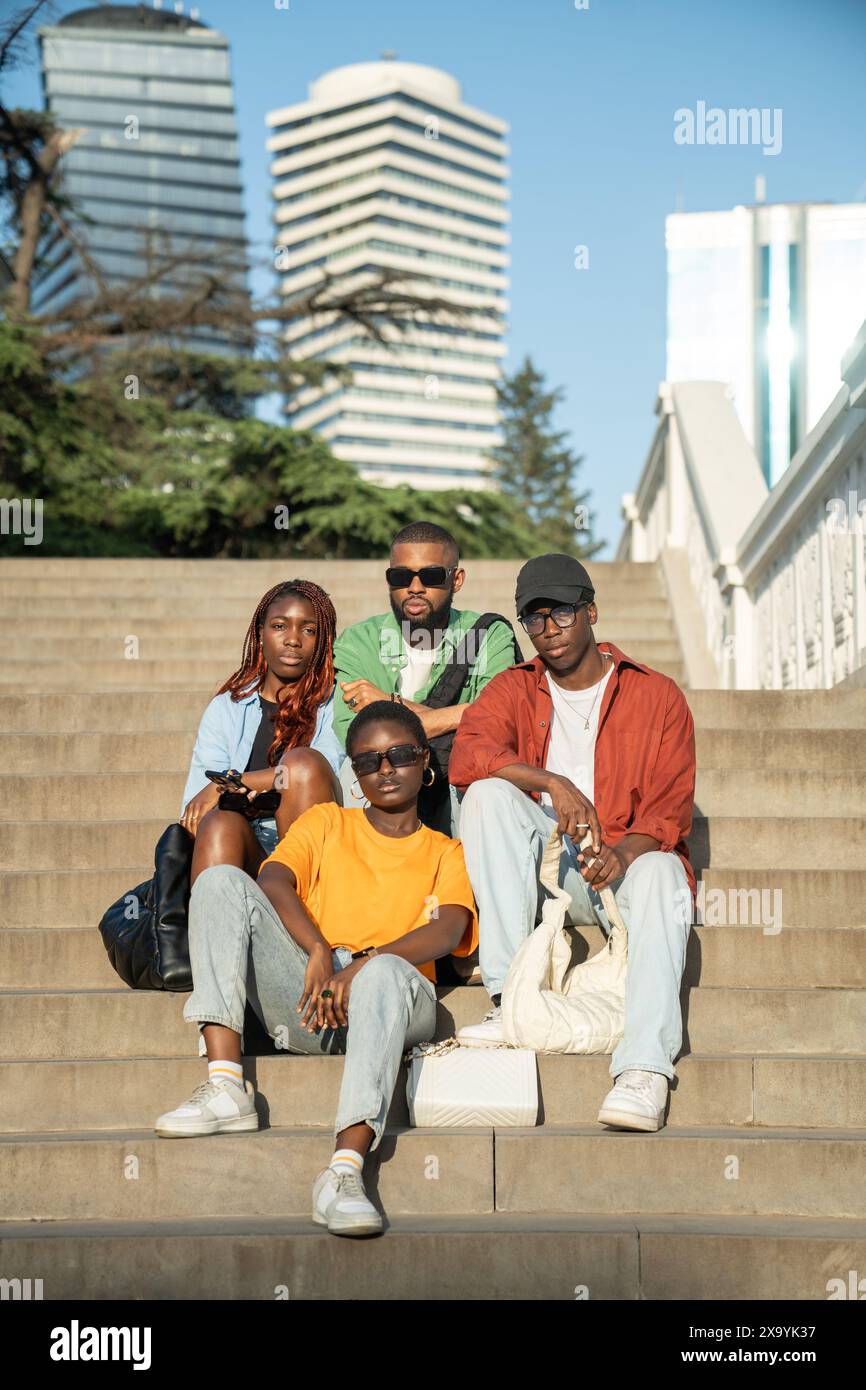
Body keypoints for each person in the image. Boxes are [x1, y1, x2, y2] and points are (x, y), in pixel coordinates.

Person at [155, 702, 478, 1238]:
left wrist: (367, 961)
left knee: (380, 975)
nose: (387, 769)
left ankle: (345, 1173)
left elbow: (447, 931)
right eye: (370, 761)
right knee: (219, 882)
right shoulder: (329, 822)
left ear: (426, 764)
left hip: (396, 994)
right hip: (316, 994)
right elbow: (275, 879)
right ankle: (226, 1084)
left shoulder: (447, 850)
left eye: (400, 755)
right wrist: (318, 950)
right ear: (355, 774)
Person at [448, 553, 696, 1134]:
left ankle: (644, 1069)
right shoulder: (516, 688)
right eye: (533, 619)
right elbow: (468, 756)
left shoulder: (656, 695)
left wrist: (622, 854)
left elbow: (669, 810)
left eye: (560, 612)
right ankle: (512, 999)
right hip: (552, 874)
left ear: (590, 612)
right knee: (486, 795)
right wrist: (551, 783)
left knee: (664, 871)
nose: (548, 629)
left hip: (626, 869)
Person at [331, 520, 522, 839]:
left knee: (487, 789)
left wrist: (389, 704)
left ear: (457, 579)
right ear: (389, 580)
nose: (415, 587)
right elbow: (353, 732)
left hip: (458, 775)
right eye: (401, 576)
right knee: (352, 770)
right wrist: (456, 716)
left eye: (432, 576)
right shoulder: (357, 642)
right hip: (385, 774)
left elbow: (500, 716)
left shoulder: (487, 635)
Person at [179, 580, 342, 884]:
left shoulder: (335, 706)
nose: (293, 640)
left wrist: (232, 783)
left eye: (308, 630)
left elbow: (310, 774)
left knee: (303, 763)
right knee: (218, 824)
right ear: (260, 634)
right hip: (243, 846)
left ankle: (300, 913)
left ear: (323, 642)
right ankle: (214, 927)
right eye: (280, 626)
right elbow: (195, 807)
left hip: (307, 848)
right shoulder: (228, 707)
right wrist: (225, 792)